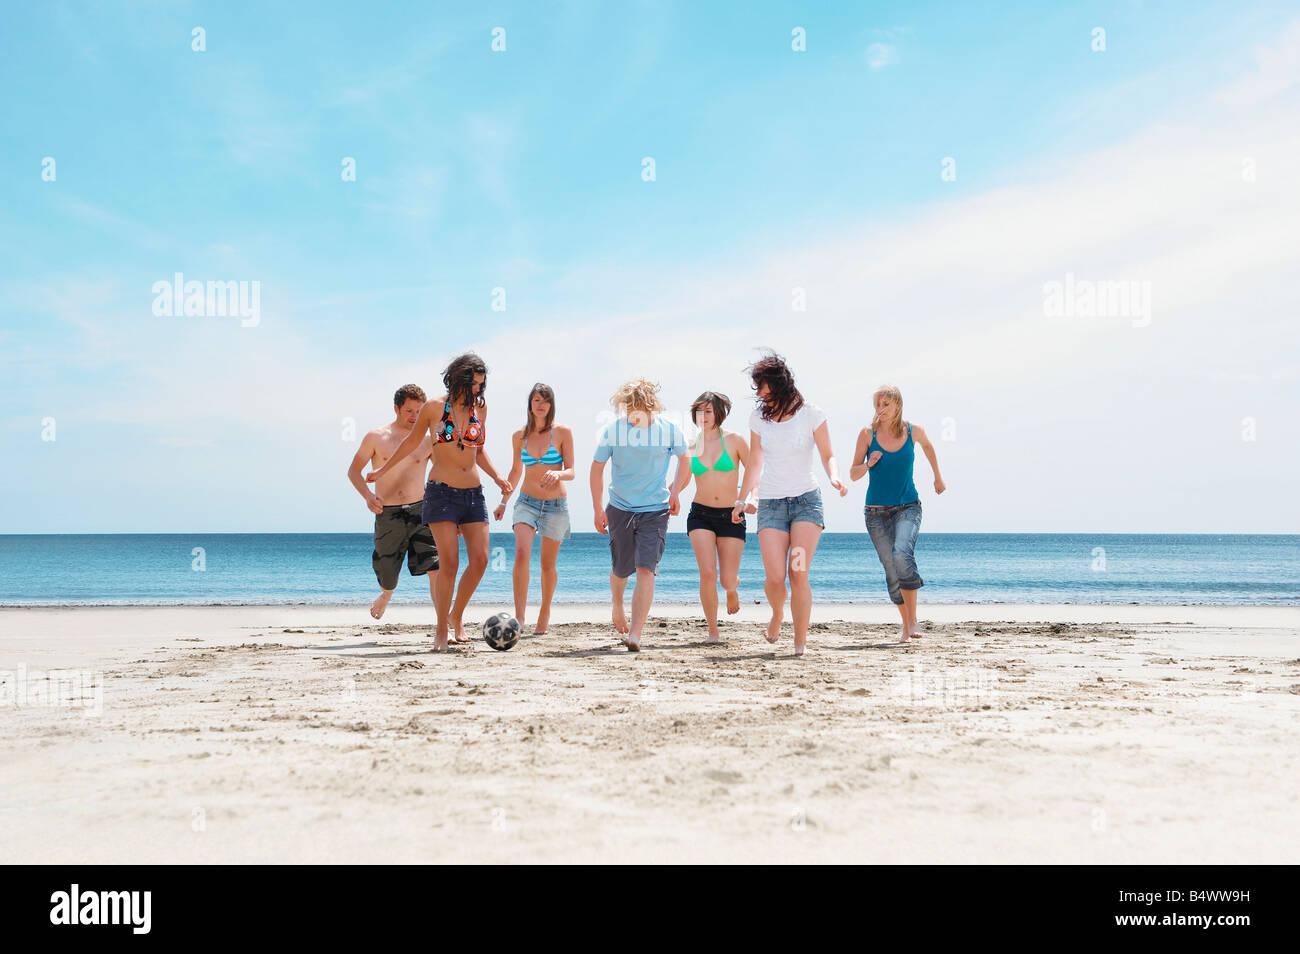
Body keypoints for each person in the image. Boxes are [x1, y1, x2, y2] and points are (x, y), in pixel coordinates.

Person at [367, 352, 510, 651]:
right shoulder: (434, 407)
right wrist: (382, 469)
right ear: (458, 379)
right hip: (441, 493)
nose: (476, 391)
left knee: (481, 560)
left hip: (473, 493)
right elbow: (409, 443)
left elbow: (478, 449)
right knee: (449, 564)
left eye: (480, 386)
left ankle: (455, 615)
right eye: (473, 384)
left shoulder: (480, 408)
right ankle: (441, 631)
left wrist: (497, 477)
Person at [733, 353, 846, 657]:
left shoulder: (812, 414)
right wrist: (743, 499)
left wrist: (834, 477)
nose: (758, 393)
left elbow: (827, 453)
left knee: (798, 573)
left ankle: (800, 643)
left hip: (806, 503)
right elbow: (754, 462)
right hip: (771, 505)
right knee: (774, 577)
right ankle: (777, 613)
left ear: (779, 385)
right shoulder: (758, 418)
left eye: (762, 386)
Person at [590, 378, 690, 652]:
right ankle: (617, 604)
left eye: (638, 408)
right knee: (622, 568)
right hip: (620, 508)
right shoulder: (613, 431)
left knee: (646, 569)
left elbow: (685, 460)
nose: (633, 414)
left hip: (655, 510)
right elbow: (596, 468)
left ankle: (635, 634)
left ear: (650, 407)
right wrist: (598, 507)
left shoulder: (669, 430)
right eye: (628, 409)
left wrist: (676, 491)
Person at [850, 384, 945, 643]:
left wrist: (937, 476)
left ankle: (912, 622)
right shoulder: (867, 434)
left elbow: (928, 447)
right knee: (891, 569)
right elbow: (853, 474)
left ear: (897, 405)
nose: (880, 410)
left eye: (885, 405)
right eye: (877, 405)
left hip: (908, 507)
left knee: (902, 554)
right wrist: (868, 464)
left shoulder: (913, 431)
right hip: (876, 513)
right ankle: (906, 625)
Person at [347, 384, 439, 619]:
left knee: (435, 568)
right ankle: (386, 594)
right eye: (409, 411)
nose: (414, 417)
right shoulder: (376, 437)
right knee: (387, 572)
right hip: (388, 512)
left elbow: (441, 472)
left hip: (422, 510)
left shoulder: (428, 439)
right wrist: (368, 497)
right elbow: (354, 471)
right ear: (396, 408)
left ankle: (443, 624)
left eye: (419, 411)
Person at [493, 383, 574, 635]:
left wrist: (558, 473)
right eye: (537, 400)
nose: (541, 405)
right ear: (530, 403)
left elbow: (571, 470)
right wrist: (504, 502)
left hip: (555, 506)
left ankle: (544, 612)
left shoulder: (562, 432)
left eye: (546, 401)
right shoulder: (519, 436)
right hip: (526, 502)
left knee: (547, 565)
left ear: (551, 405)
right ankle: (519, 617)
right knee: (521, 553)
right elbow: (516, 471)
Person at [684, 391, 754, 643]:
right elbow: (682, 480)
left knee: (725, 579)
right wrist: (670, 495)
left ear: (719, 413)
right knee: (707, 574)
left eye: (708, 411)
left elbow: (754, 472)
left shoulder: (735, 441)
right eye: (699, 411)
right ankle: (713, 631)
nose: (703, 416)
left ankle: (732, 588)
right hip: (700, 514)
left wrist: (748, 500)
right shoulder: (691, 445)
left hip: (731, 515)